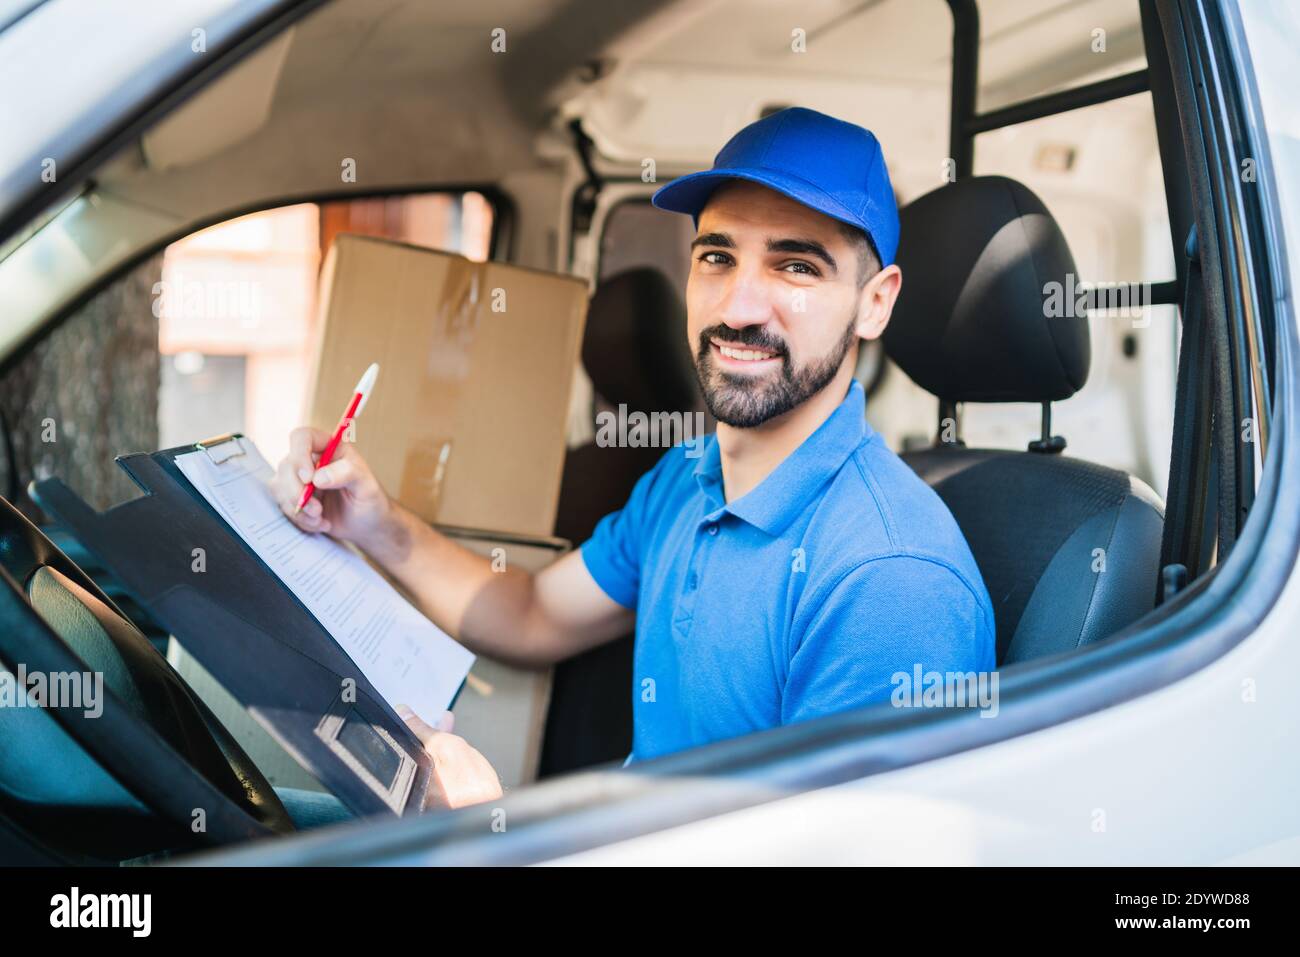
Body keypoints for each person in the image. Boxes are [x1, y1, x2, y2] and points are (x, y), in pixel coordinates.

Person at [272, 107, 996, 810]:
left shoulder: (892, 580)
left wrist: (488, 830)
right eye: (717, 256)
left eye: (796, 267)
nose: (739, 306)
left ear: (875, 303)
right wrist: (370, 522)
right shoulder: (684, 479)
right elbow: (528, 613)